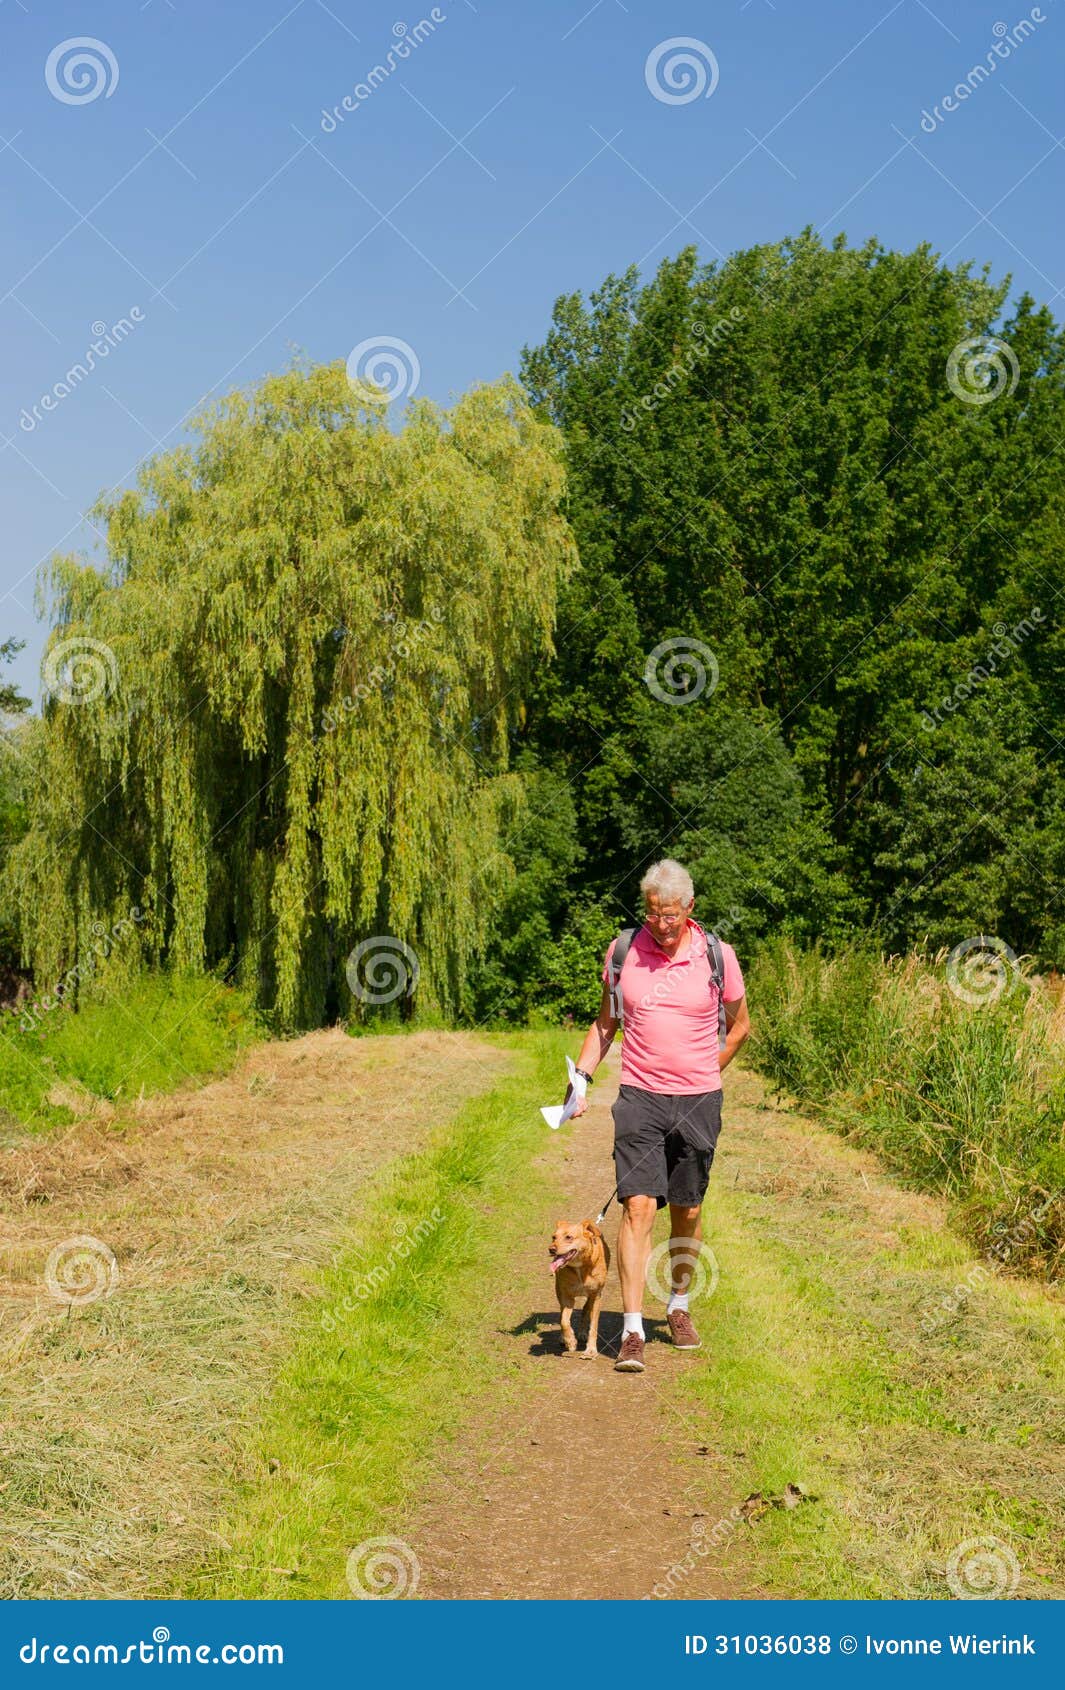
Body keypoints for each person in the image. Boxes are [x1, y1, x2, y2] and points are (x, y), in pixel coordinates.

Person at [564, 859, 749, 1373]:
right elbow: (605, 1025)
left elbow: (739, 1028)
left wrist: (702, 1074)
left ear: (690, 909)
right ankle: (631, 1329)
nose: (661, 924)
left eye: (670, 914)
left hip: (697, 1101)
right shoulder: (623, 952)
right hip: (640, 1097)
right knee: (638, 1206)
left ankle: (680, 1305)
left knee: (687, 1209)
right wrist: (579, 1079)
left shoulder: (718, 955)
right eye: (652, 914)